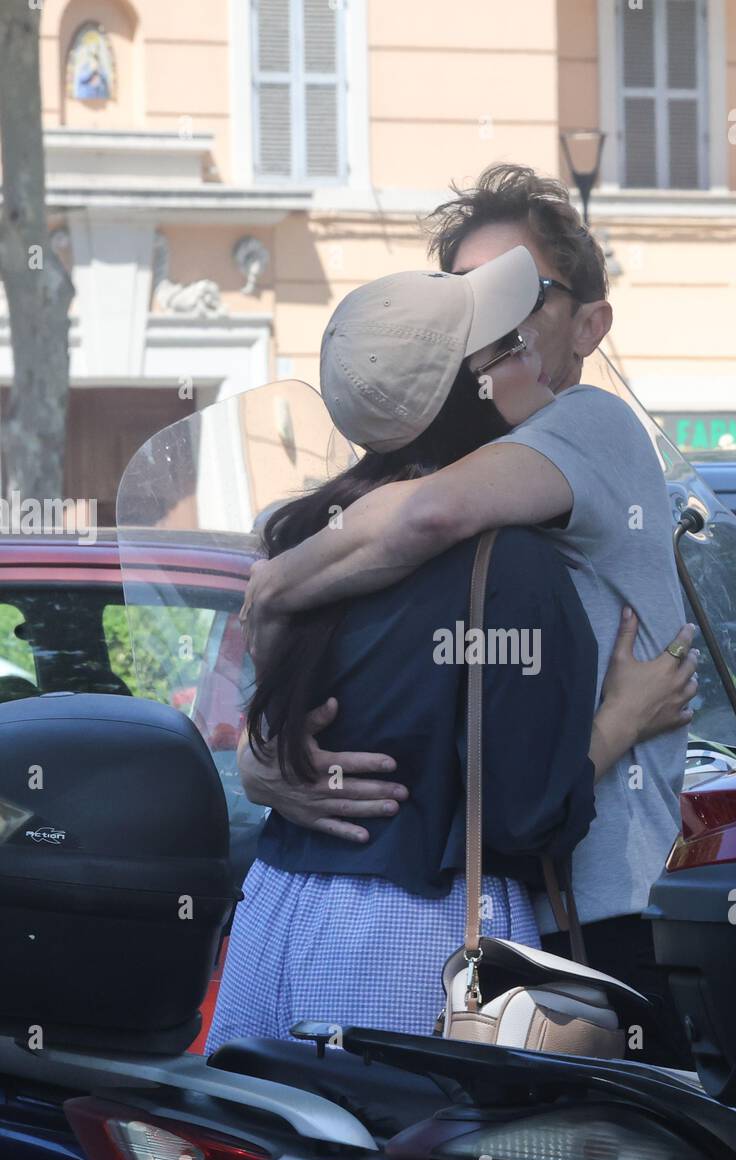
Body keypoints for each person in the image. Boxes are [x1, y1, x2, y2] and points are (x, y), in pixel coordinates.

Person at [239, 165, 697, 1065]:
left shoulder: (589, 428)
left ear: (588, 324)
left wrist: (270, 590)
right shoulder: (468, 542)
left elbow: (422, 515)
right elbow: (508, 799)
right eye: (472, 307)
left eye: (525, 298)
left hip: (568, 904)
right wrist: (264, 761)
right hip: (516, 914)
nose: (503, 334)